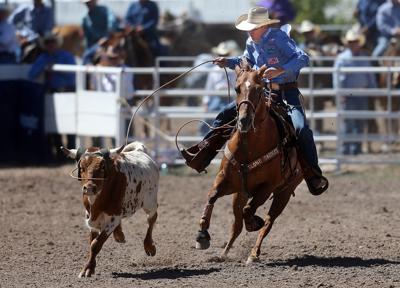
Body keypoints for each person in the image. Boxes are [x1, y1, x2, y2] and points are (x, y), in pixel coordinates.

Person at [181, 7, 328, 195]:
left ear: (263, 27)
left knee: (300, 129)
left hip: (286, 93)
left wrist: (281, 70)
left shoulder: (279, 38)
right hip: (262, 93)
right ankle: (202, 154)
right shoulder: (251, 42)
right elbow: (245, 61)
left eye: (253, 27)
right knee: (226, 113)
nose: (249, 30)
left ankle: (313, 174)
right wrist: (228, 61)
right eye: (249, 27)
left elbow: (303, 58)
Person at [334, 29, 377, 155]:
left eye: (355, 41)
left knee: (360, 121)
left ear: (359, 42)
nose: (353, 43)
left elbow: (370, 76)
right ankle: (346, 148)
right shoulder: (342, 58)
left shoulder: (364, 58)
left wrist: (373, 90)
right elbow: (337, 78)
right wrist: (340, 93)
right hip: (348, 95)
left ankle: (356, 148)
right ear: (348, 43)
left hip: (362, 94)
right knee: (348, 122)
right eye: (351, 41)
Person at [200, 40, 241, 135]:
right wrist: (206, 102)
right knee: (208, 120)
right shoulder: (213, 71)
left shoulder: (234, 70)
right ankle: (206, 138)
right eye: (220, 54)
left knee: (230, 119)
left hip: (229, 97)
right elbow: (209, 87)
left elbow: (236, 84)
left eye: (225, 54)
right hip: (216, 98)